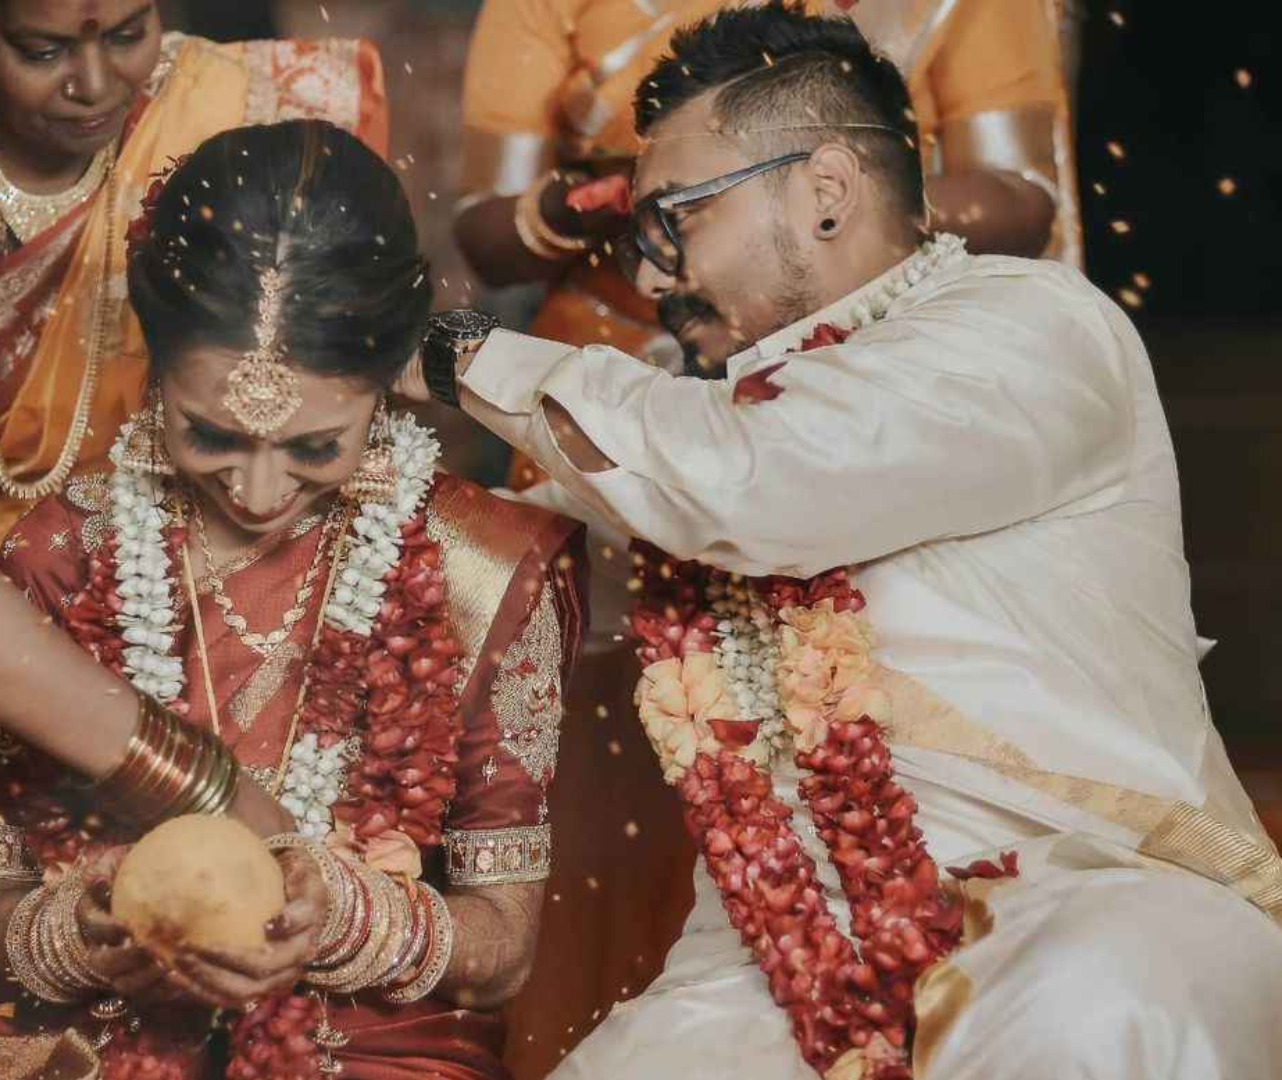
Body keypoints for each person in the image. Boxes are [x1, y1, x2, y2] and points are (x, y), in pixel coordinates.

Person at [402, 5, 1282, 1078]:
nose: (656, 275)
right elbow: (603, 487)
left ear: (824, 190)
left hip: (1088, 889)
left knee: (1089, 1009)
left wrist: (456, 355)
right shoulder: (705, 416)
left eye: (678, 219)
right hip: (785, 946)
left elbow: (753, 480)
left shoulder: (1030, 325)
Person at [0, 119, 585, 1080]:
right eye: (209, 434)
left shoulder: (487, 566)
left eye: (316, 446)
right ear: (152, 362)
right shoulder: (60, 554)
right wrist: (82, 935)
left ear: (389, 380)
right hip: (95, 1037)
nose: (258, 490)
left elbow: (501, 948)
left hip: (374, 1050)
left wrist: (345, 917)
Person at [0, 1, 387, 1071]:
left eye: (128, 30)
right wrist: (191, 777)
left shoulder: (251, 113)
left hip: (184, 612)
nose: (94, 83)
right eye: (42, 45)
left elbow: (341, 369)